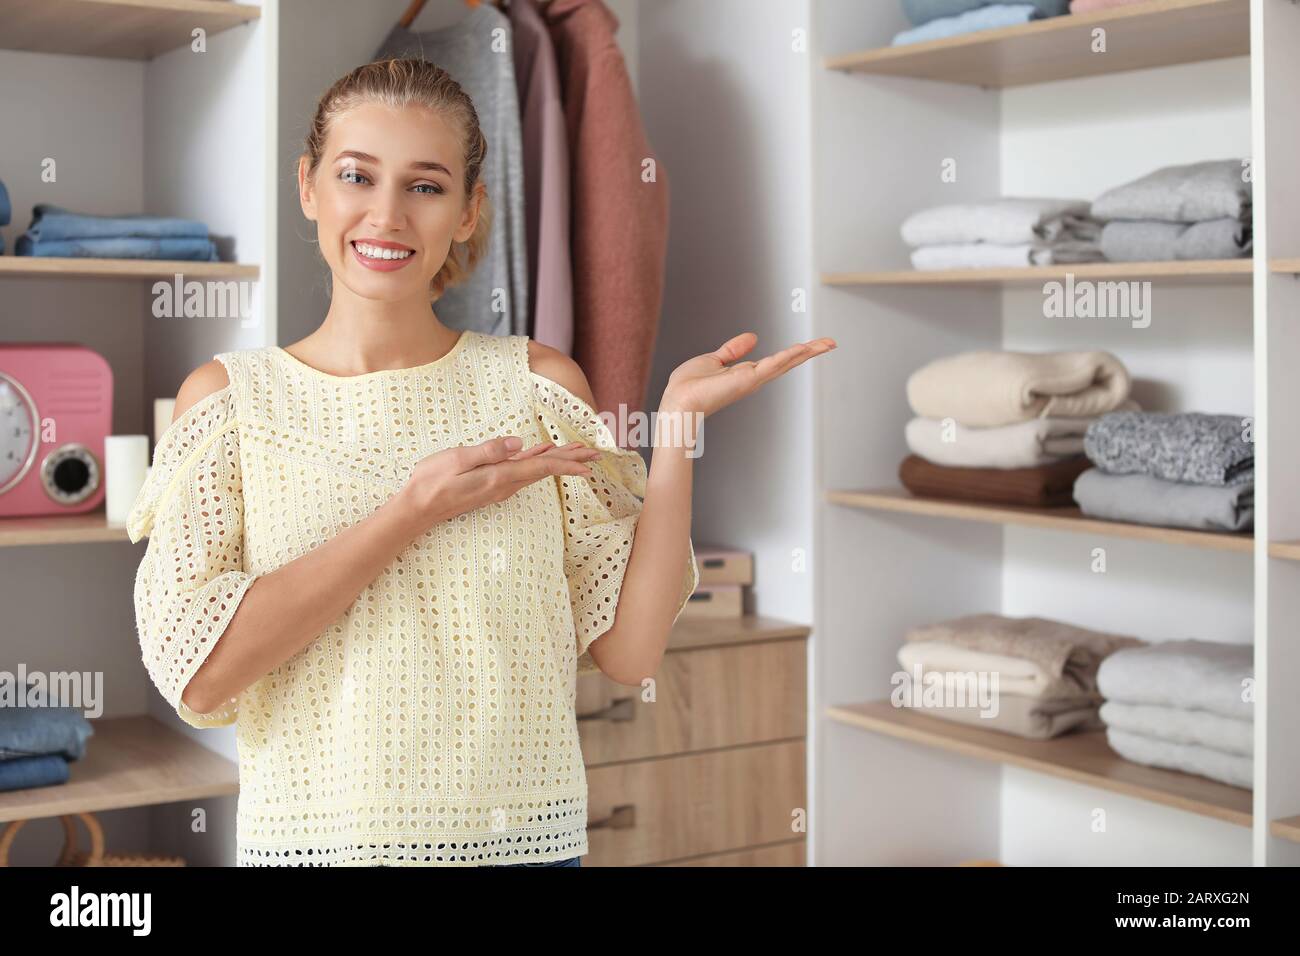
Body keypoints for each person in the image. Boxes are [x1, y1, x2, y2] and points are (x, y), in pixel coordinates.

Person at [126, 56, 835, 868]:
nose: (386, 215)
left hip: (525, 846)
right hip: (315, 851)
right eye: (358, 176)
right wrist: (410, 513)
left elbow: (629, 654)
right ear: (309, 187)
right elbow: (201, 678)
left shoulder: (536, 385)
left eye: (425, 186)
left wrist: (675, 434)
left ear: (469, 212)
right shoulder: (229, 405)